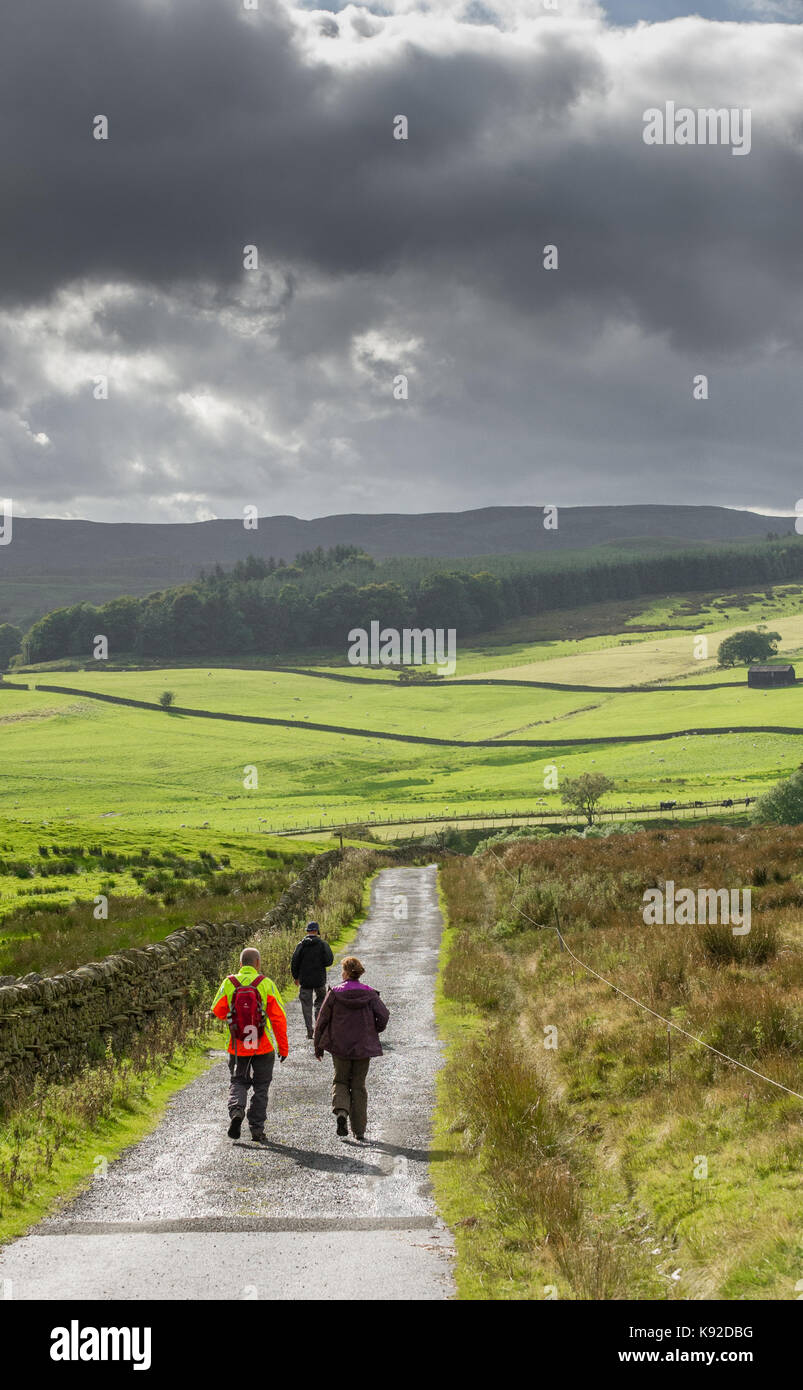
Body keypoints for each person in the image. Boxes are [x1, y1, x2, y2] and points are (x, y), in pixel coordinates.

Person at [211, 946, 288, 1144]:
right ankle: (257, 1129)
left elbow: (218, 1011)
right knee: (261, 1087)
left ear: (240, 964)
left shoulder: (229, 983)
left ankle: (237, 1111)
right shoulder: (266, 984)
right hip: (263, 1046)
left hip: (237, 1046)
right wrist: (283, 1047)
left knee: (238, 1081)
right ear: (258, 963)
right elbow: (278, 1018)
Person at [313, 956, 389, 1141]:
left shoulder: (335, 993)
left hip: (340, 1047)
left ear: (345, 972)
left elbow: (321, 1020)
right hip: (363, 1047)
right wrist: (374, 1029)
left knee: (340, 1081)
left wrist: (318, 1046)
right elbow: (384, 1016)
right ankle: (359, 1130)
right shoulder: (370, 994)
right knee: (358, 1086)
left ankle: (341, 1113)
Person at [291, 921, 334, 1039]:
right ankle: (319, 1028)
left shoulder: (300, 945)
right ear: (317, 931)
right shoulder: (323, 944)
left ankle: (309, 1030)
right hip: (319, 980)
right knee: (320, 1003)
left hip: (304, 981)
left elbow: (294, 962)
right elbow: (329, 961)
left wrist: (296, 977)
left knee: (306, 1005)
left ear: (307, 931)